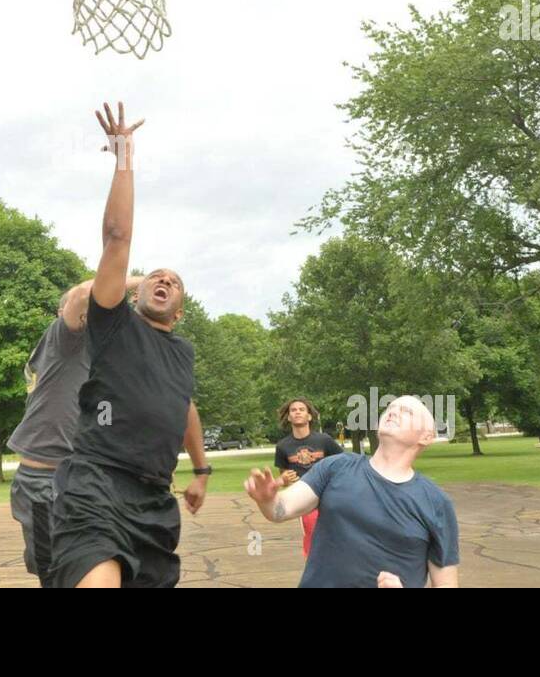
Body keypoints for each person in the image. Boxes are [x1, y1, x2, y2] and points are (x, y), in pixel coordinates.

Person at [48, 102, 211, 589]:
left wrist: (200, 469)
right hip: (96, 484)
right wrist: (124, 158)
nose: (164, 279)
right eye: (156, 275)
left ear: (179, 310)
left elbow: (183, 407)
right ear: (136, 292)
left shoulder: (181, 353)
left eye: (174, 281)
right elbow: (117, 238)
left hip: (156, 502)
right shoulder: (114, 322)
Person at [7, 273, 145, 587]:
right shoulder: (65, 339)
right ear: (66, 314)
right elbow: (84, 292)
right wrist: (146, 280)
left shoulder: (98, 359)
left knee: (103, 566)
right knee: (58, 576)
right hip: (45, 485)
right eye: (90, 312)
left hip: (83, 479)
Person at [246, 395, 460, 588]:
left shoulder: (436, 502)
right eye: (390, 408)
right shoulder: (336, 467)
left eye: (407, 412)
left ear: (426, 436)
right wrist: (267, 499)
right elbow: (280, 509)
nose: (393, 411)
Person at [273, 397, 343, 556]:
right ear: (289, 417)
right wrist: (284, 479)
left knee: (336, 533)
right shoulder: (283, 446)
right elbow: (284, 476)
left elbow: (342, 463)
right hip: (304, 498)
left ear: (309, 416)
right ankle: (314, 568)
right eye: (293, 410)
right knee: (312, 531)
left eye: (301, 409)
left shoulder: (323, 440)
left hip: (329, 495)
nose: (297, 412)